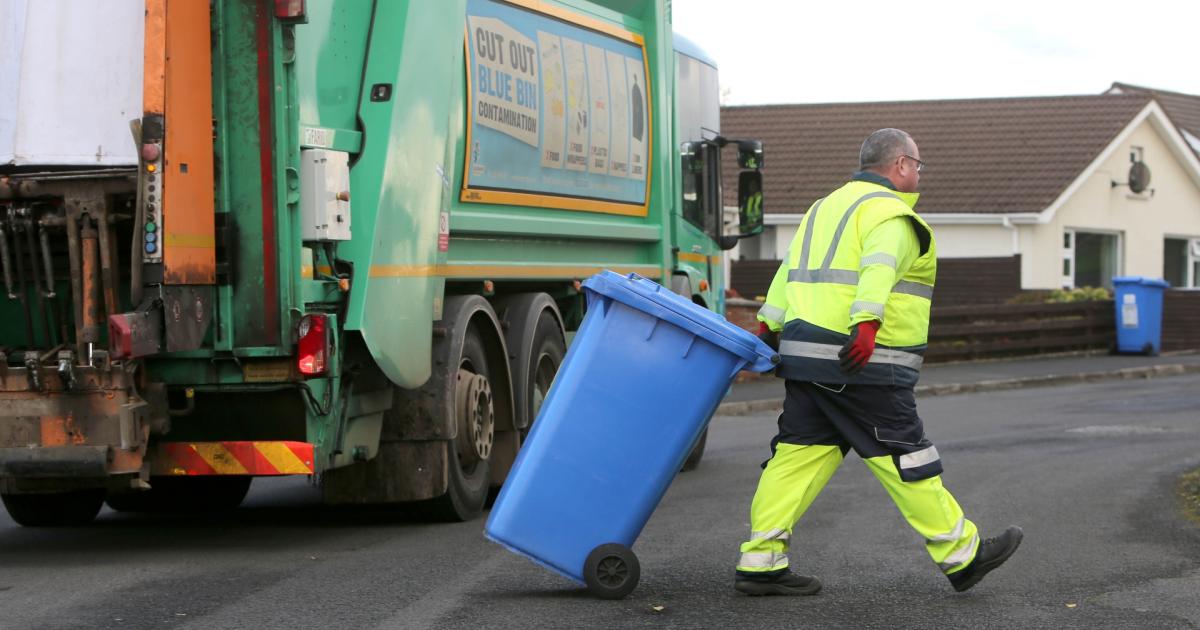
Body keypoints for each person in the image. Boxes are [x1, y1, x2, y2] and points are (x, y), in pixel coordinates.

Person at [734, 128, 1022, 596]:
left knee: (797, 456)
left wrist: (769, 325)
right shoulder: (890, 213)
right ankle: (961, 554)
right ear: (902, 165)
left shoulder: (822, 209)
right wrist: (866, 323)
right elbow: (879, 268)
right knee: (907, 455)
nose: (919, 176)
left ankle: (761, 559)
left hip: (806, 356)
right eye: (918, 166)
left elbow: (789, 271)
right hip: (860, 361)